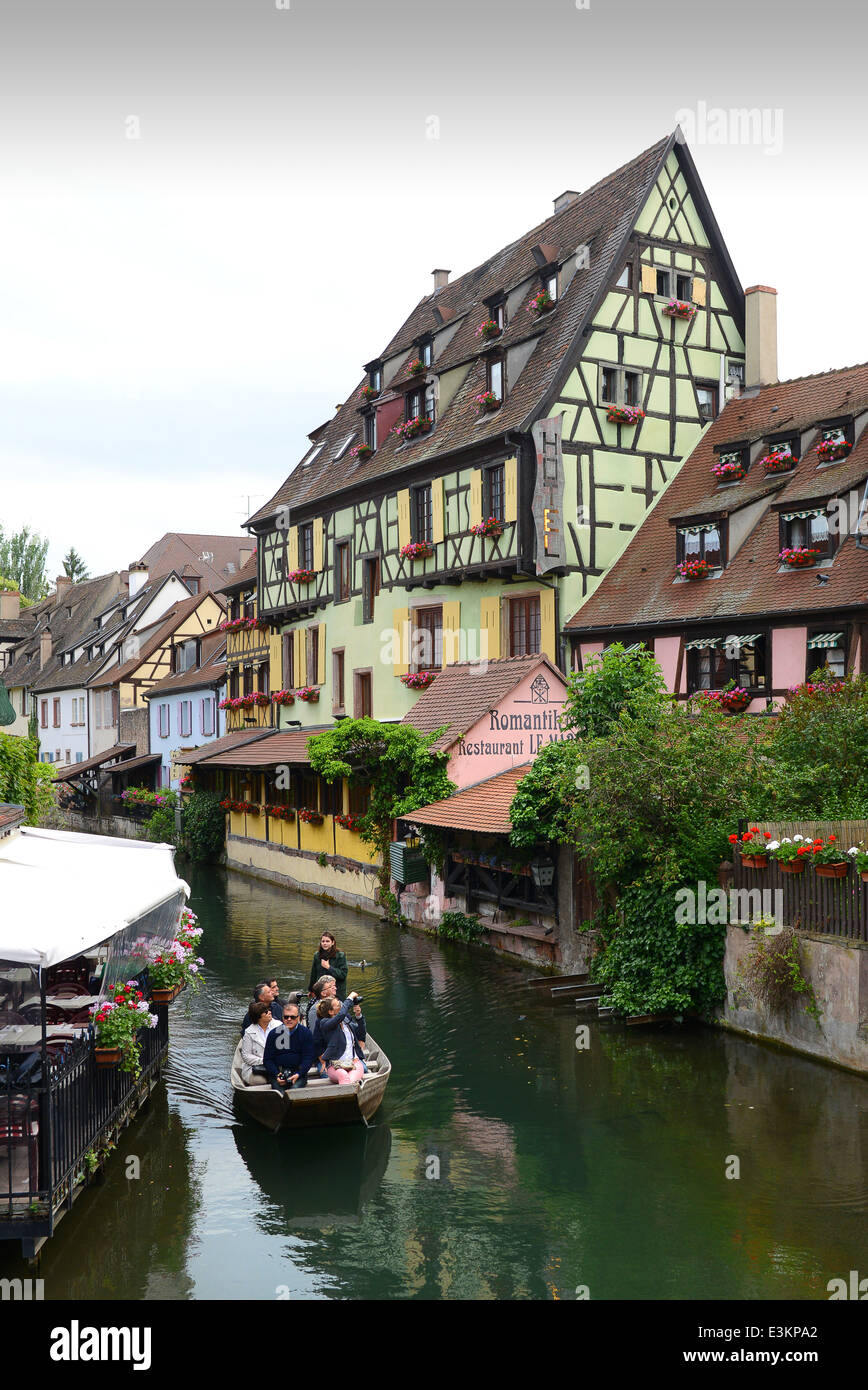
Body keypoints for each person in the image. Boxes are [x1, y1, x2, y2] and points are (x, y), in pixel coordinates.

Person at [263, 1002, 315, 1093]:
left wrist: (299, 1074)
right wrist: (276, 1074)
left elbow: (308, 1058)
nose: (289, 1019)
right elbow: (267, 1059)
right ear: (282, 1018)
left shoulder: (306, 1033)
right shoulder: (274, 1034)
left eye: (293, 1017)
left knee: (294, 1092)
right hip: (279, 1073)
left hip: (298, 1073)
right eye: (286, 1017)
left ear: (298, 1018)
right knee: (280, 1094)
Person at [318, 991, 365, 1086]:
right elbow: (339, 1017)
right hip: (335, 1065)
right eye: (338, 1005)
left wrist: (358, 1016)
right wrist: (350, 998)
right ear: (331, 1011)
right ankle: (351, 1094)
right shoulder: (325, 1023)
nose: (341, 1005)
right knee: (343, 1076)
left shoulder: (346, 1021)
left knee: (350, 1080)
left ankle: (349, 1095)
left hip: (354, 1062)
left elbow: (361, 1033)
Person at [240, 1000, 281, 1085]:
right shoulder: (249, 1032)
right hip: (257, 1067)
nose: (269, 1012)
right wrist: (264, 1061)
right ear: (258, 1017)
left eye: (269, 1010)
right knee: (259, 1081)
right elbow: (246, 1056)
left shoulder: (279, 1026)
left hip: (278, 1065)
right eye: (266, 1012)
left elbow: (286, 1048)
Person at [307, 933, 348, 1000]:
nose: (325, 943)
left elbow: (343, 975)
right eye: (323, 941)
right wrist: (311, 990)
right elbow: (313, 974)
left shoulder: (340, 956)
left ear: (332, 942)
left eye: (327, 941)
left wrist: (329, 967)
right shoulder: (317, 956)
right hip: (321, 992)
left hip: (337, 992)